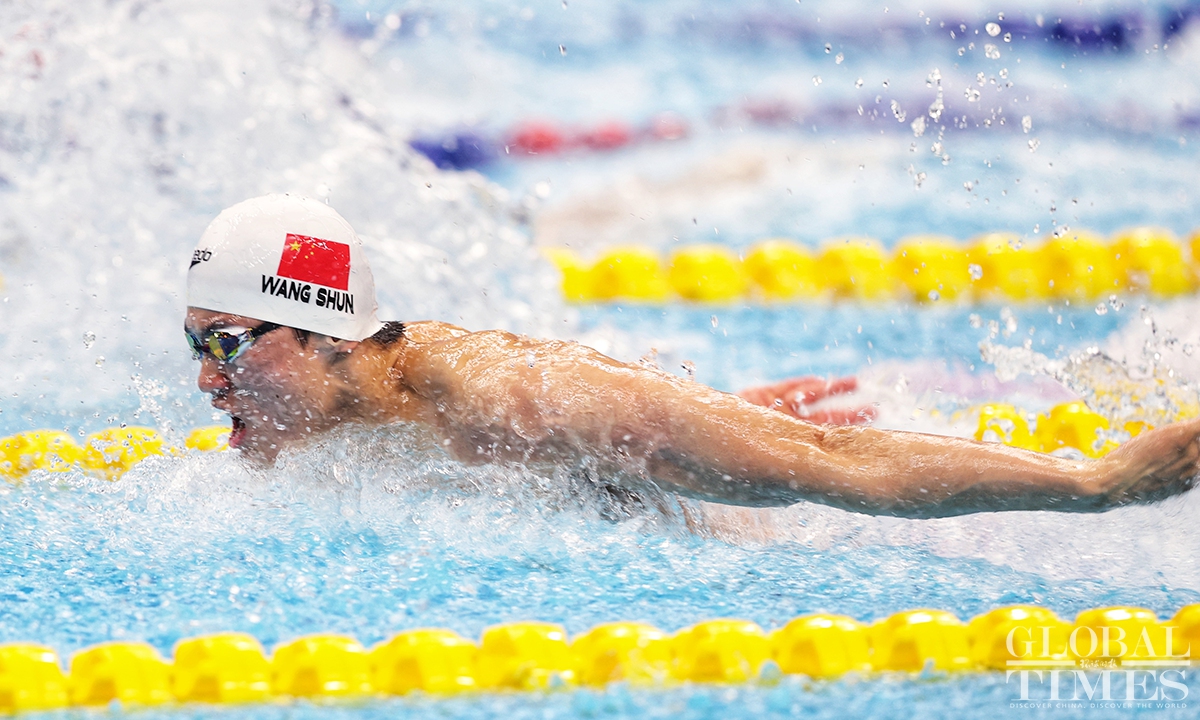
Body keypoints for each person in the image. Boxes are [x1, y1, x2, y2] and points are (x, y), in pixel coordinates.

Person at [185, 195, 1200, 518]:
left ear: (328, 332)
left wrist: (1091, 482)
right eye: (196, 345)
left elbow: (842, 470)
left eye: (228, 343)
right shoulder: (333, 410)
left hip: (784, 541)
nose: (205, 378)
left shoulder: (515, 399)